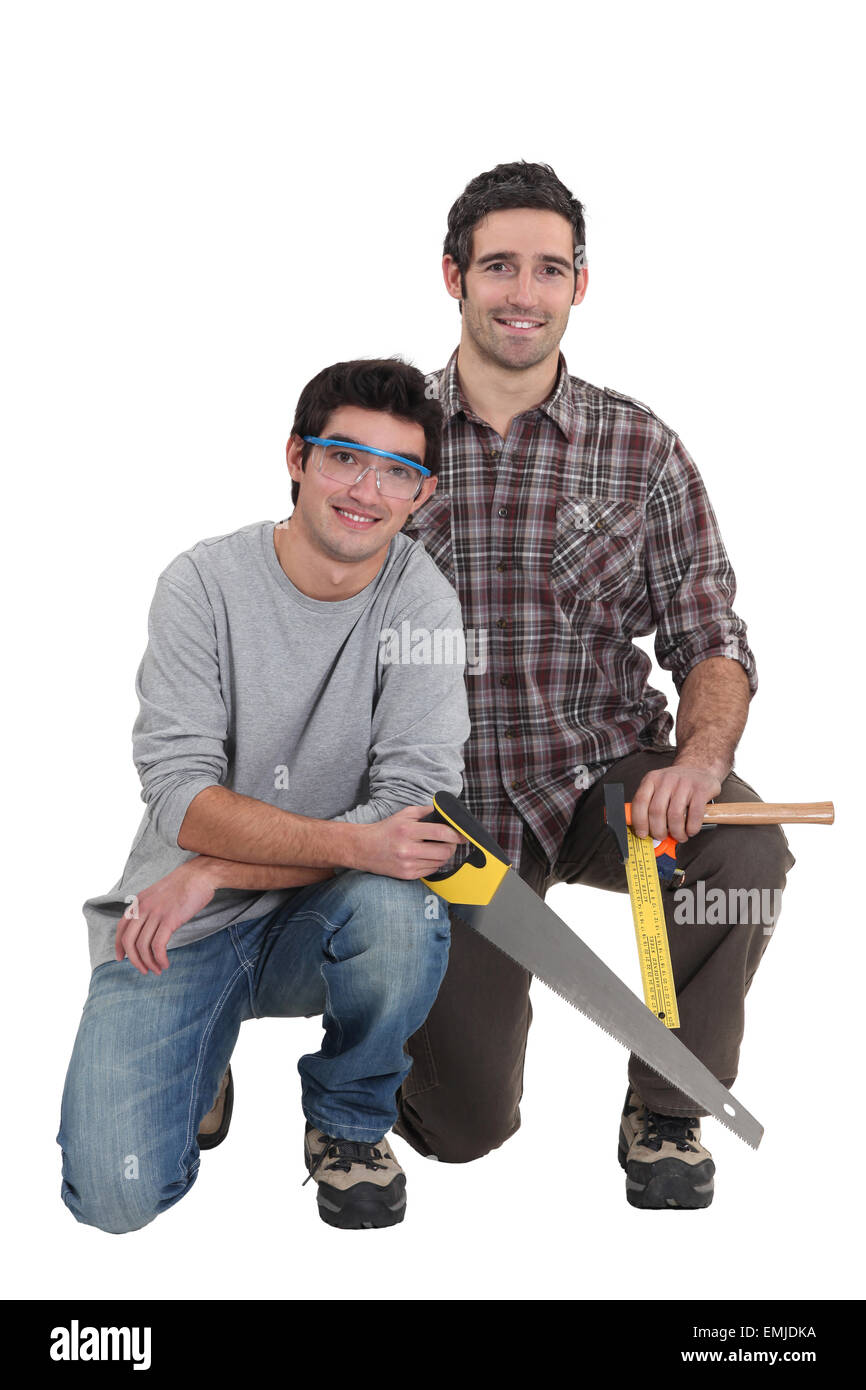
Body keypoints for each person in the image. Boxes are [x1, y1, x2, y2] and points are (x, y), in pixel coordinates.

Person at [392, 162, 795, 1209]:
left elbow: (710, 634)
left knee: (740, 841)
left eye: (547, 268)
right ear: (452, 276)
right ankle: (370, 1064)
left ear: (579, 284)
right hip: (449, 804)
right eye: (496, 267)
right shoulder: (384, 442)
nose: (521, 291)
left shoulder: (640, 448)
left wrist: (700, 760)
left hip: (598, 778)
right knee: (462, 1127)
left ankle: (668, 1105)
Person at [57, 358, 471, 1232]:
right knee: (113, 1197)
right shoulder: (202, 584)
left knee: (407, 910)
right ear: (296, 457)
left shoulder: (424, 605)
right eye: (344, 458)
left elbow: (407, 818)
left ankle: (349, 1120)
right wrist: (214, 867)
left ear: (421, 496)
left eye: (398, 471)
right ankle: (202, 1059)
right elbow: (180, 795)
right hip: (184, 917)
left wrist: (221, 864)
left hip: (329, 915)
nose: (368, 489)